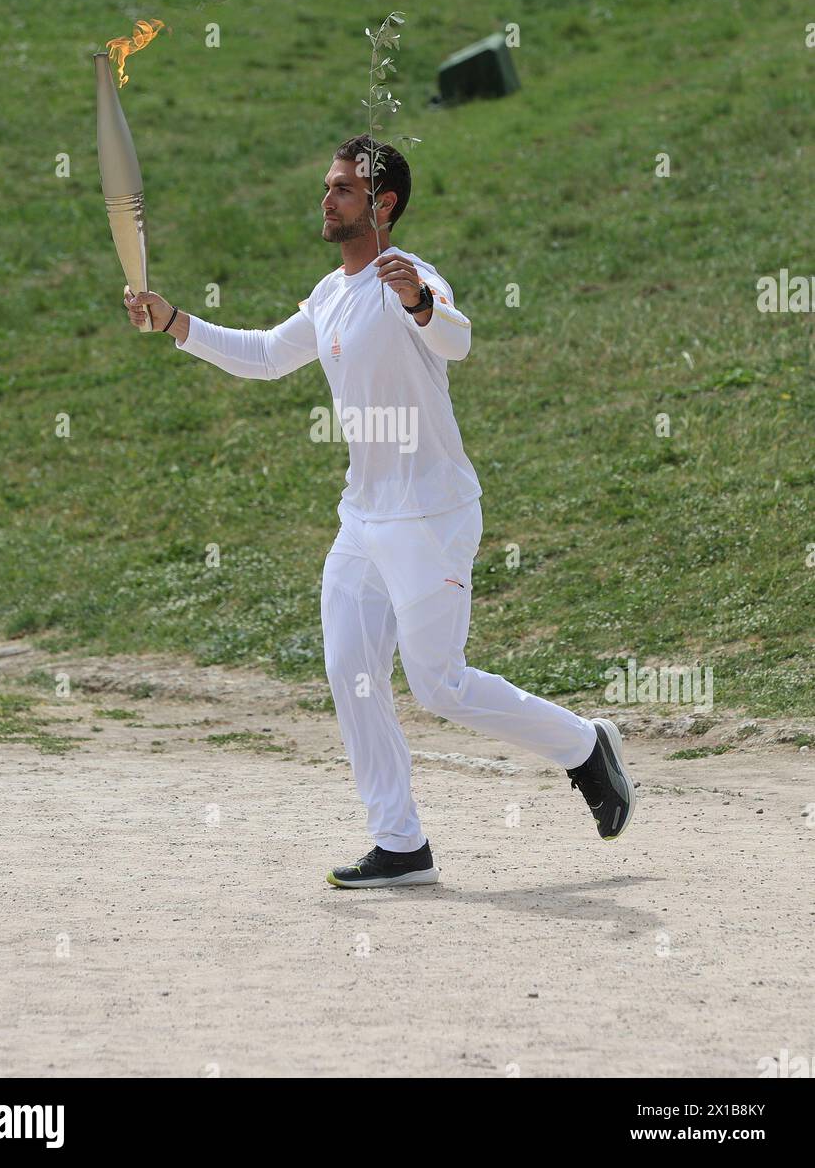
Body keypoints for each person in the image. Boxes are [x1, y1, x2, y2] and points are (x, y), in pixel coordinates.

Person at [124, 133, 636, 888]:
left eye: (340, 189)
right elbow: (266, 354)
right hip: (363, 518)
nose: (326, 200)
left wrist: (420, 302)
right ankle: (401, 844)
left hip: (431, 516)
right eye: (328, 187)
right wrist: (175, 323)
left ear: (382, 204)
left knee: (440, 686)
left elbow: (457, 342)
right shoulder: (331, 293)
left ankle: (585, 745)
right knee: (349, 669)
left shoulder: (412, 279)